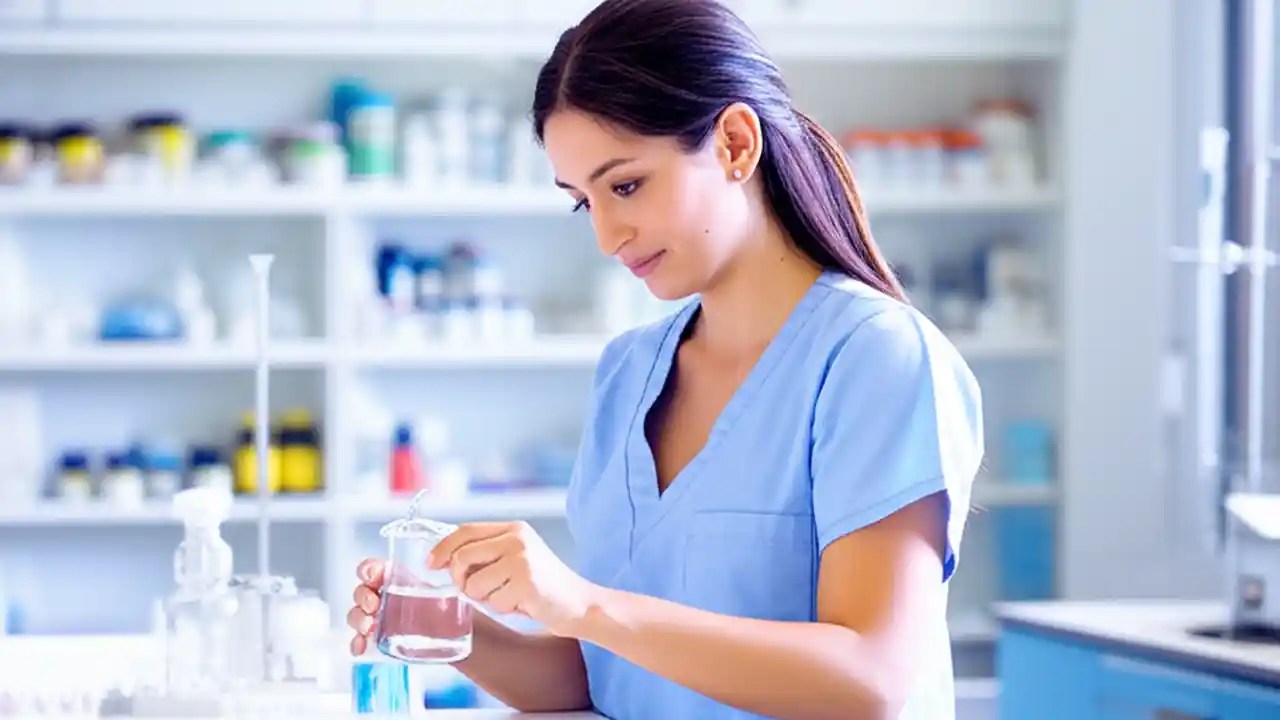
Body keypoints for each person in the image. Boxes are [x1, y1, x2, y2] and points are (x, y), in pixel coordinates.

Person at [348, 0, 983, 717]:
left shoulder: (877, 359)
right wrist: (451, 630)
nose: (608, 235)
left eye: (625, 185)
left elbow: (870, 680)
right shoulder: (630, 373)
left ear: (736, 145)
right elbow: (610, 673)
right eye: (584, 202)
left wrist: (583, 604)